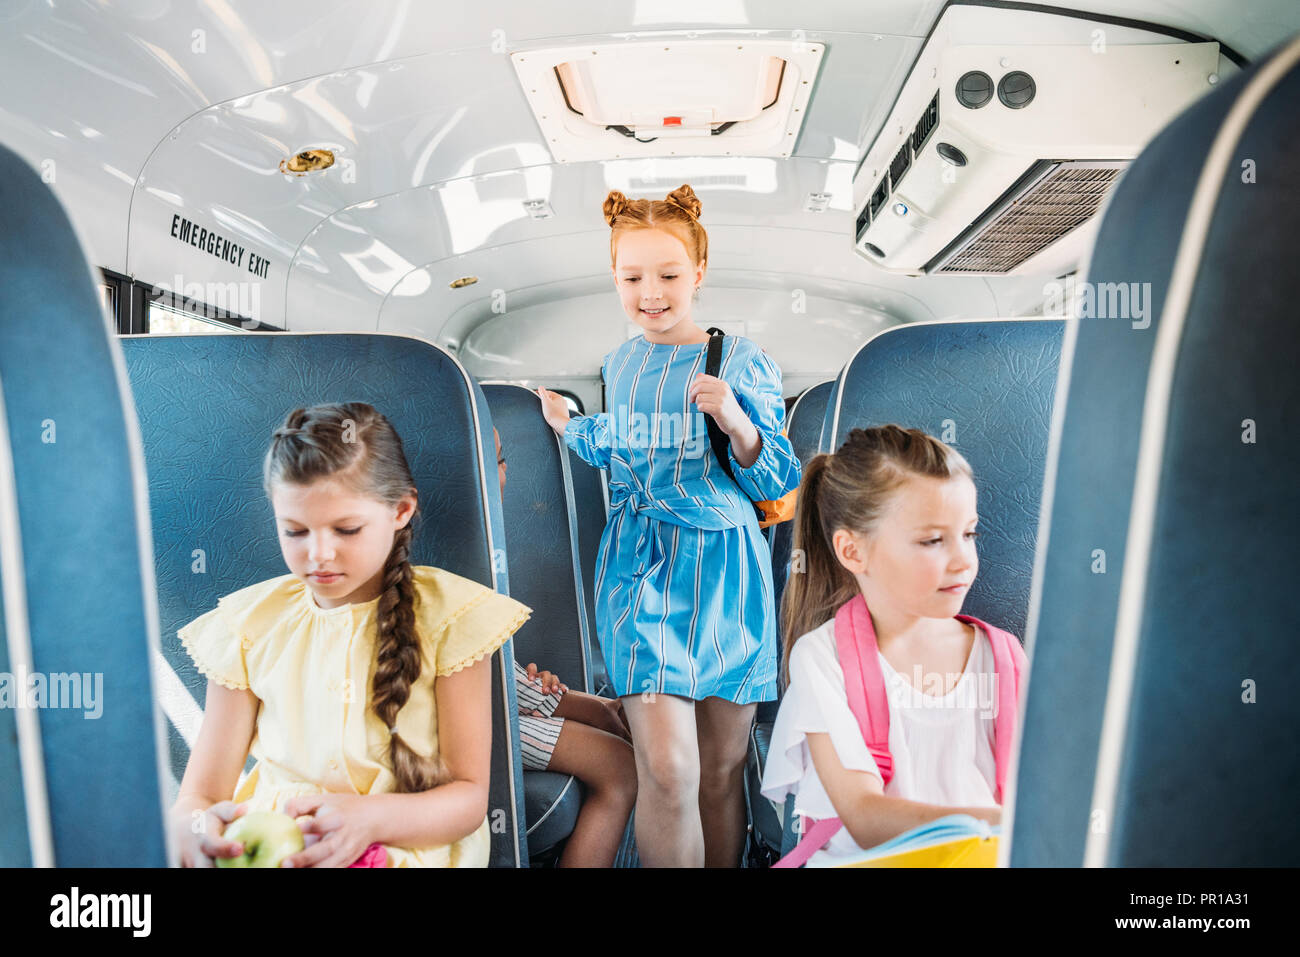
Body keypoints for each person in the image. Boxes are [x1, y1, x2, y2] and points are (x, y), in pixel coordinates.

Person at [537, 184, 802, 867]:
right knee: (669, 769)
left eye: (668, 275)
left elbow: (778, 480)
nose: (649, 293)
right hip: (640, 570)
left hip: (725, 573)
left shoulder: (740, 361)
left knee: (718, 772)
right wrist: (570, 425)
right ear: (614, 277)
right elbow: (619, 443)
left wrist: (737, 422)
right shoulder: (620, 363)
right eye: (632, 278)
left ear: (699, 273)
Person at [168, 402, 531, 867]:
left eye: (346, 529)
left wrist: (370, 820)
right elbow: (201, 794)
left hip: (403, 844)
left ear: (401, 510)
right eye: (295, 531)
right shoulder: (247, 625)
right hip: (273, 845)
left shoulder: (450, 618)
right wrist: (193, 826)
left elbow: (467, 799)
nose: (319, 554)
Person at [760, 425, 1027, 867]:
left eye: (969, 535)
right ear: (852, 551)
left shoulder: (1002, 656)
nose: (963, 560)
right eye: (932, 541)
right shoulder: (822, 659)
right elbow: (866, 817)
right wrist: (1008, 824)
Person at [493, 427, 637, 866]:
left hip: (499, 698)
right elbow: (491, 684)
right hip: (474, 718)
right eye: (490, 460)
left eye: (501, 459)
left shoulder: (485, 540)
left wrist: (598, 708)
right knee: (622, 766)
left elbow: (500, 672)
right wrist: (591, 710)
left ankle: (608, 710)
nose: (499, 473)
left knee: (611, 720)